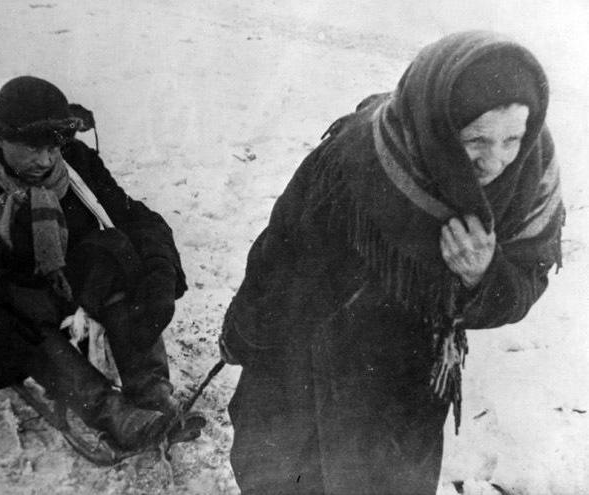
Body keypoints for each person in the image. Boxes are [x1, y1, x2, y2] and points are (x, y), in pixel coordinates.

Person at [219, 31, 564, 494]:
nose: (496, 160)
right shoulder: (360, 154)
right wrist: (244, 332)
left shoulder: (532, 178)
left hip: (407, 376)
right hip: (310, 342)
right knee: (282, 470)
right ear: (440, 124)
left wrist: (483, 276)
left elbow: (523, 287)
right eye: (476, 139)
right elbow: (282, 246)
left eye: (512, 139)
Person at [0, 76, 202, 451]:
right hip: (24, 303)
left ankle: (154, 396)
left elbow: (133, 217)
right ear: (0, 138)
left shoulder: (79, 162)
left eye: (53, 147)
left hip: (84, 281)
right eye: (32, 148)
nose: (46, 159)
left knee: (120, 253)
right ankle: (114, 416)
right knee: (0, 312)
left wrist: (159, 270)